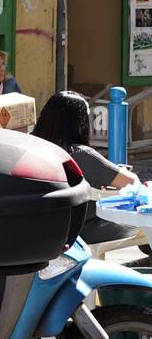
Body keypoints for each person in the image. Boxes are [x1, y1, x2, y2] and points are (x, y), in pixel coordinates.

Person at [33, 90, 139, 245]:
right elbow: (132, 182)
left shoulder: (31, 146)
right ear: (79, 122)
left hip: (42, 226)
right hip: (81, 230)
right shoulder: (80, 154)